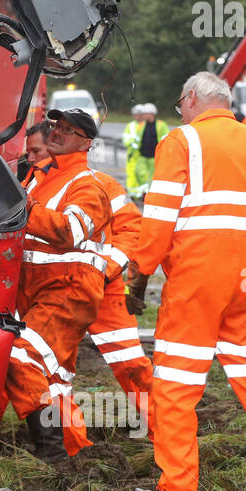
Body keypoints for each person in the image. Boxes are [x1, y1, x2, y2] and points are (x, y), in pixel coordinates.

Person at [127, 71, 246, 491]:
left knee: (176, 383)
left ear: (192, 97)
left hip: (196, 280)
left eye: (180, 104)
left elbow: (158, 217)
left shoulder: (181, 142)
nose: (182, 111)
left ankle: (178, 488)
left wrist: (140, 271)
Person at [6, 107, 113, 461]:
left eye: (68, 130)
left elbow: (71, 232)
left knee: (22, 357)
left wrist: (23, 209)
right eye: (56, 126)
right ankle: (71, 450)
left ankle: (49, 452)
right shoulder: (40, 178)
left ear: (86, 143)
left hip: (69, 290)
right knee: (53, 378)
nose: (57, 132)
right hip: (39, 290)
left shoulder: (87, 184)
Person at [84, 167, 155, 437]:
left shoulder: (100, 184)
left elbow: (132, 228)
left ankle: (165, 432)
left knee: (130, 363)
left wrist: (107, 270)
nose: (33, 157)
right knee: (32, 365)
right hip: (50, 292)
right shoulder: (28, 182)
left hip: (102, 288)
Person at [134, 103, 169, 196]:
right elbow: (137, 139)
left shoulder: (161, 125)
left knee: (154, 176)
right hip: (142, 155)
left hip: (155, 156)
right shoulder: (141, 125)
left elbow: (166, 140)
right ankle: (144, 192)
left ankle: (150, 193)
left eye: (145, 113)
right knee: (139, 173)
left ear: (151, 114)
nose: (143, 115)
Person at [122, 105, 145, 199]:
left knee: (143, 174)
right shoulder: (130, 126)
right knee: (131, 174)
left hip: (143, 155)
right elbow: (125, 139)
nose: (137, 116)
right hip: (132, 155)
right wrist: (132, 143)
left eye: (139, 115)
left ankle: (142, 194)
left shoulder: (147, 125)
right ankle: (132, 194)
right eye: (136, 114)